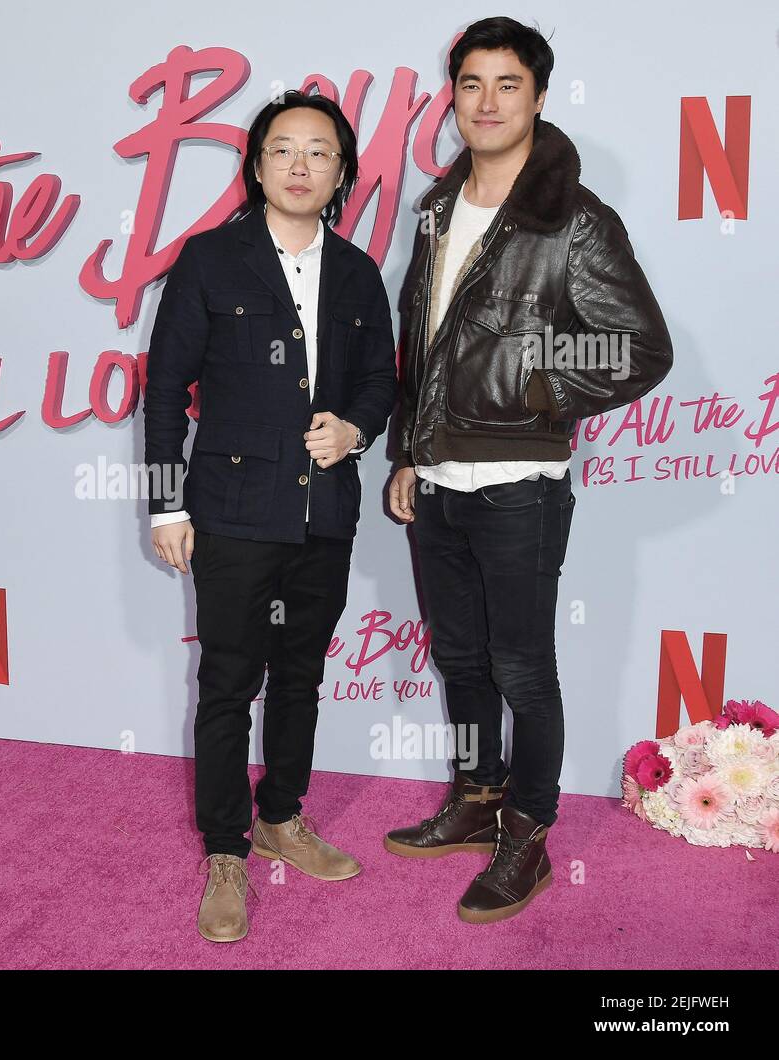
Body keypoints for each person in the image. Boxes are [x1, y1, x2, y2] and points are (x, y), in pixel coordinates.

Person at [385, 17, 673, 923]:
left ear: (539, 97)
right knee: (460, 658)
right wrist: (406, 451)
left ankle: (529, 833)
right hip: (438, 479)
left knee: (521, 668)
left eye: (508, 85)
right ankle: (475, 798)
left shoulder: (574, 218)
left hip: (520, 482)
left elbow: (641, 349)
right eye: (472, 84)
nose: (487, 102)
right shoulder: (436, 208)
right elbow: (420, 346)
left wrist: (534, 380)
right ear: (454, 96)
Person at [143, 90, 398, 942]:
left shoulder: (359, 273)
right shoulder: (210, 260)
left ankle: (282, 815)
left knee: (300, 676)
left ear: (342, 173)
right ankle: (227, 851)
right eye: (282, 149)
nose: (299, 165)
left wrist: (358, 428)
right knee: (226, 683)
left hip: (322, 512)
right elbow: (164, 391)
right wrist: (165, 504)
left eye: (318, 152)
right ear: (255, 167)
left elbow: (380, 381)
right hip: (230, 512)